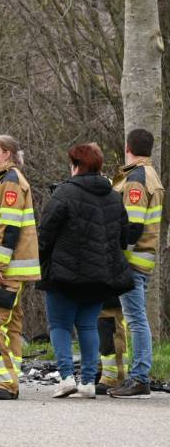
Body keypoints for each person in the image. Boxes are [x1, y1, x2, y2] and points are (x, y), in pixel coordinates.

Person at [38, 142, 132, 399]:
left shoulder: (64, 194)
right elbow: (124, 237)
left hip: (64, 274)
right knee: (89, 326)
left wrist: (41, 262)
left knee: (59, 325)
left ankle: (67, 376)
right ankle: (89, 381)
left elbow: (45, 234)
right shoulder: (114, 196)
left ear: (76, 166)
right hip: (101, 275)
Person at [0, 135, 40, 400]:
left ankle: (4, 381)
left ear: (8, 154)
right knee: (9, 324)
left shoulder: (11, 182)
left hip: (4, 268)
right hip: (6, 267)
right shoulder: (0, 182)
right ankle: (6, 379)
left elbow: (10, 227)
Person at [106, 128, 163, 399]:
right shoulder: (149, 174)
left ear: (128, 147)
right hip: (143, 258)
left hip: (132, 261)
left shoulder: (137, 178)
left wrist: (120, 256)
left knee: (136, 319)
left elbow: (134, 225)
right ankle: (138, 375)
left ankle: (140, 377)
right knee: (136, 318)